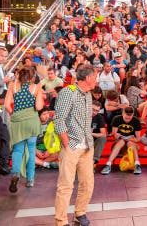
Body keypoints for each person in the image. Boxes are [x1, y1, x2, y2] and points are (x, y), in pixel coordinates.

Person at [54, 64, 98, 226]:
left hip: (87, 146)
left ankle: (80, 212)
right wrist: (66, 143)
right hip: (71, 146)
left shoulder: (88, 95)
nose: (96, 81)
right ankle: (61, 220)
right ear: (87, 78)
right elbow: (59, 120)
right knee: (66, 185)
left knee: (87, 183)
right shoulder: (68, 93)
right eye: (94, 77)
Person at [5, 66, 44, 193]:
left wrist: (14, 114)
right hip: (32, 121)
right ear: (33, 77)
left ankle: (15, 173)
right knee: (31, 150)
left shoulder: (13, 86)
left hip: (17, 121)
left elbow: (6, 105)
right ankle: (30, 179)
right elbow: (38, 107)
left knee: (17, 150)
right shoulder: (36, 87)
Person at [101, 106, 142, 175]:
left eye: (130, 118)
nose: (128, 120)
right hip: (119, 143)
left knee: (130, 143)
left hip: (131, 144)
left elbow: (138, 139)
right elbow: (114, 134)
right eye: (126, 117)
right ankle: (108, 164)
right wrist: (116, 135)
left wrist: (130, 139)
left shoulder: (136, 121)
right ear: (123, 113)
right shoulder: (117, 119)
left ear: (133, 115)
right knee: (121, 141)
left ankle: (137, 164)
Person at [91, 101, 108, 165]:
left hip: (94, 140)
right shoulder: (82, 115)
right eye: (93, 109)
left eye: (97, 110)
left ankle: (93, 161)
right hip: (83, 140)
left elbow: (103, 134)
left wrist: (90, 134)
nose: (94, 112)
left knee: (103, 139)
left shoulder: (99, 117)